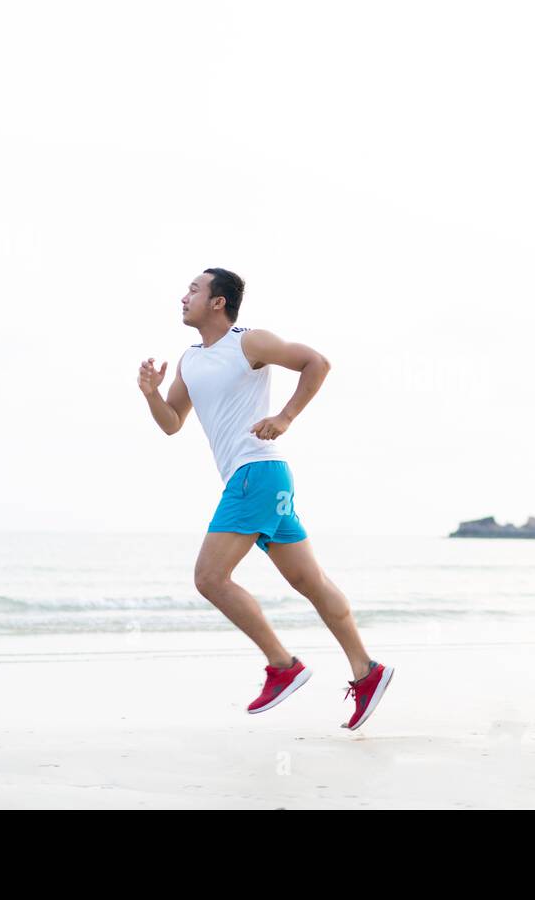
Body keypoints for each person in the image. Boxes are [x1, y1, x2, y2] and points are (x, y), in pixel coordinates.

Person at [137, 268, 393, 730]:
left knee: (210, 577)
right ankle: (367, 671)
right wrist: (152, 394)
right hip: (262, 478)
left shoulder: (248, 342)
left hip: (256, 471)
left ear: (218, 301)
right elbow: (173, 421)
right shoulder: (191, 361)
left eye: (194, 289)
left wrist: (287, 416)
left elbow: (317, 362)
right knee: (309, 582)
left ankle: (282, 665)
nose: (184, 296)